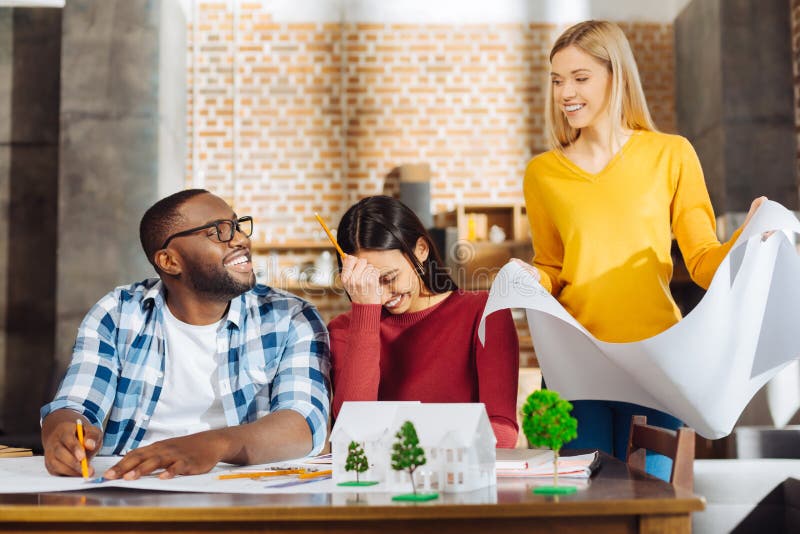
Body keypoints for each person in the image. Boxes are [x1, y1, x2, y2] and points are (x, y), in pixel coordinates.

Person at [521, 20, 766, 478]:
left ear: (616, 77)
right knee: (585, 505)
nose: (564, 93)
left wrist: (748, 240)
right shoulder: (543, 174)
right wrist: (527, 278)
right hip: (577, 362)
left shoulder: (671, 154)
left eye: (580, 78)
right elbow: (551, 267)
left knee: (653, 499)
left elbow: (702, 262)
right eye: (557, 80)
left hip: (658, 361)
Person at [41, 189, 330, 479]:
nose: (241, 239)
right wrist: (62, 432)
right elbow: (75, 406)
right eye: (219, 231)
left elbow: (305, 424)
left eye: (237, 226)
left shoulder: (290, 317)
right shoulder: (117, 314)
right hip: (132, 487)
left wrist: (214, 445)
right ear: (169, 261)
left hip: (241, 490)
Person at [328, 196, 519, 448]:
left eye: (389, 277)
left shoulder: (484, 313)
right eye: (370, 283)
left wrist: (406, 448)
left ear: (421, 250)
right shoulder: (344, 330)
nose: (383, 295)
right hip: (382, 485)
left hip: (461, 480)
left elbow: (503, 433)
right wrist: (365, 309)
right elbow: (353, 438)